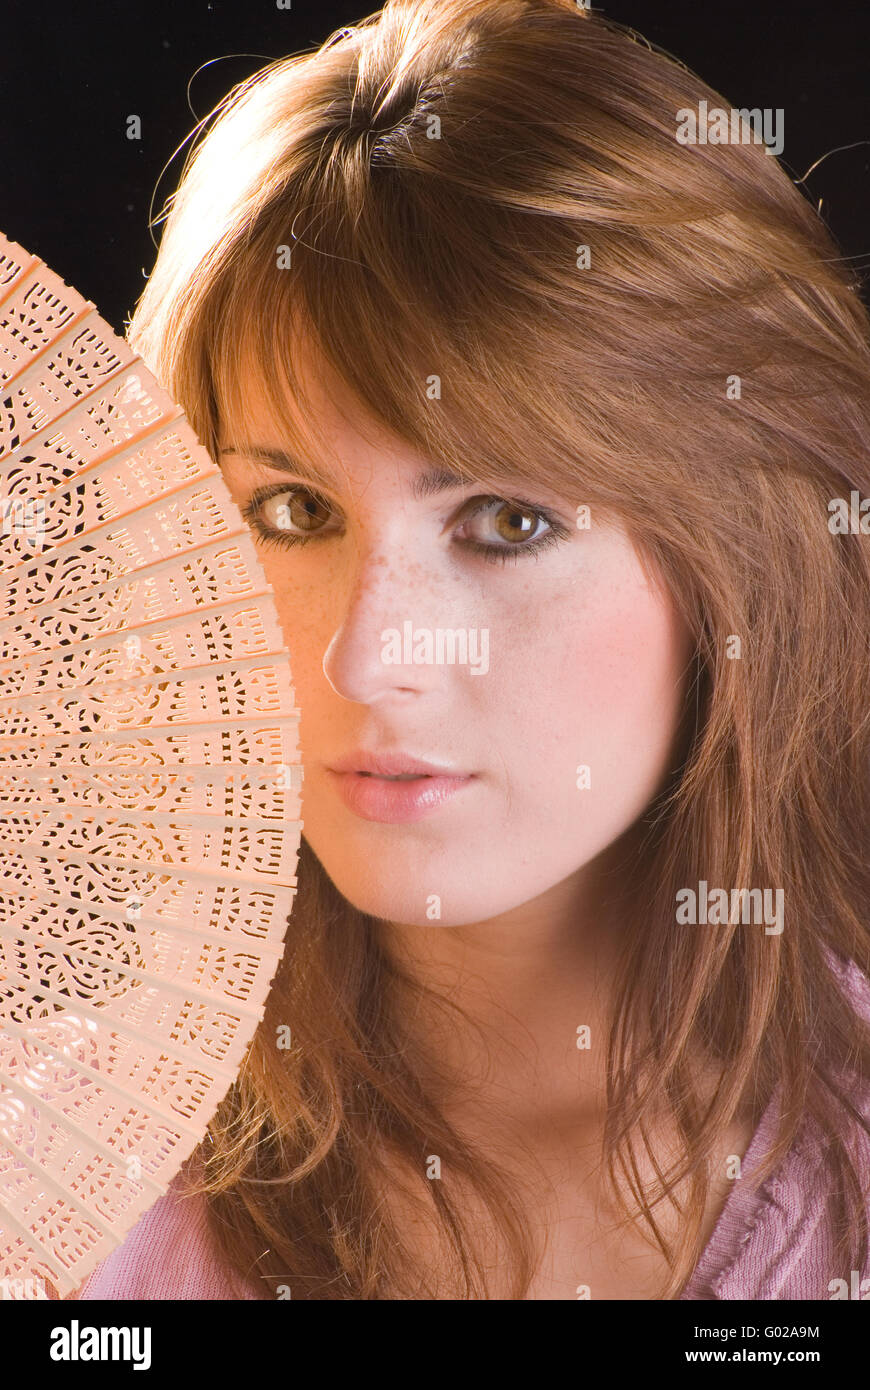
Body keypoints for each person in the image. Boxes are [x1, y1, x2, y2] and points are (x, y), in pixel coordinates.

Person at [65, 0, 870, 1299]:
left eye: (506, 521)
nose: (368, 658)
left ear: (744, 561)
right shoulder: (71, 1174)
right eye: (291, 511)